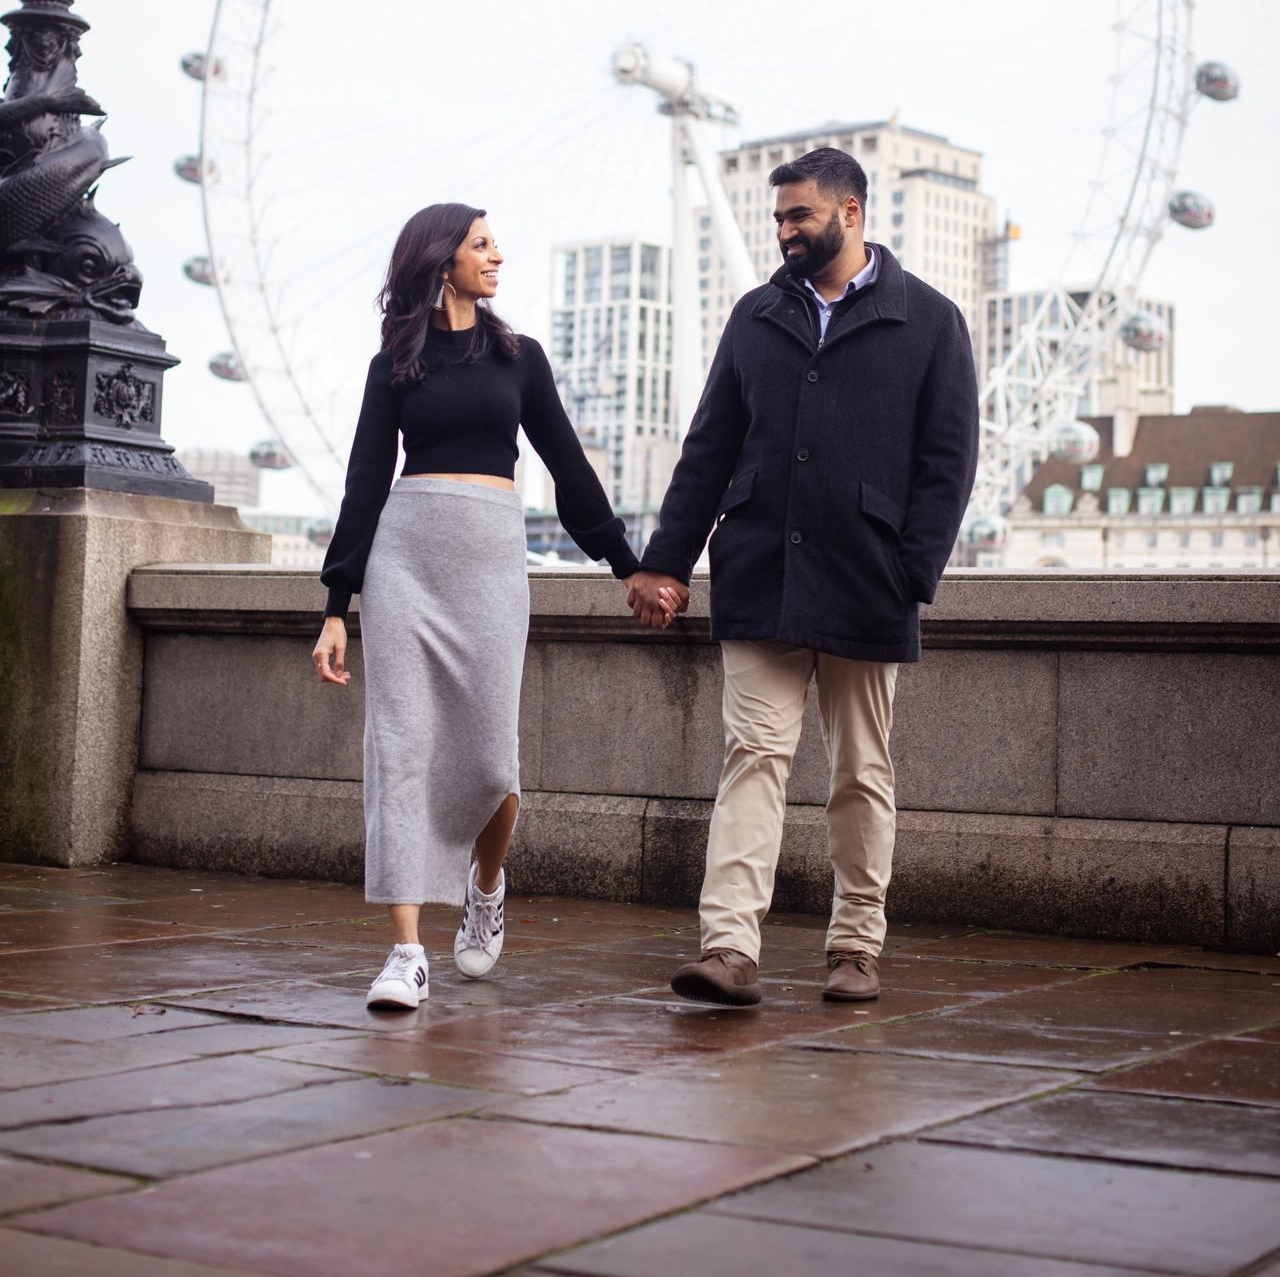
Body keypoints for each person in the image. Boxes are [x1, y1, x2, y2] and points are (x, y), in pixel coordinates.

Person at [628, 147, 978, 1007]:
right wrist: (668, 561)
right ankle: (728, 949)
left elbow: (950, 461)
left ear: (849, 213)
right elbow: (708, 448)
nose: (783, 230)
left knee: (861, 771)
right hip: (759, 574)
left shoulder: (931, 322)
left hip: (870, 579)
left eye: (798, 217)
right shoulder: (754, 317)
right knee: (753, 758)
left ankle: (856, 947)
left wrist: (911, 572)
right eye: (778, 217)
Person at [313, 203, 656, 1010]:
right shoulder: (393, 362)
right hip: (406, 560)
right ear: (442, 262)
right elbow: (365, 484)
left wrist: (629, 569)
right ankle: (405, 951)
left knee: (493, 761)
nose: (497, 256)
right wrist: (336, 606)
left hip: (491, 563)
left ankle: (487, 883)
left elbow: (571, 474)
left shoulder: (519, 358)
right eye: (481, 244)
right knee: (398, 747)